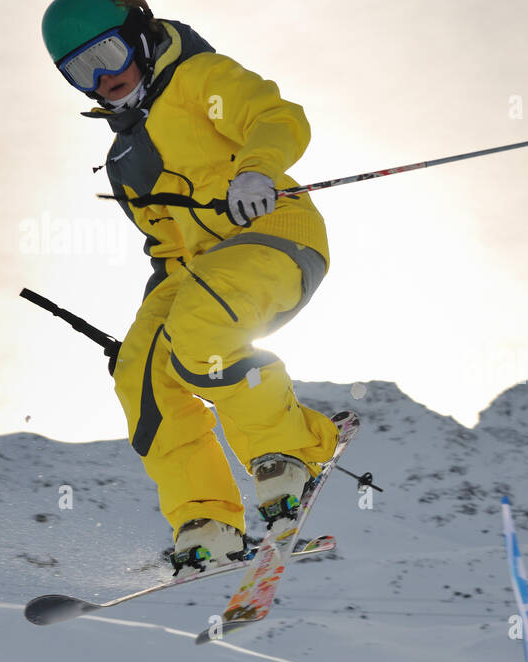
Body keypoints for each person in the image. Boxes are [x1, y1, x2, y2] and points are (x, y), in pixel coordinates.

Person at [40, 0, 339, 575]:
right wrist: (143, 337)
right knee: (142, 370)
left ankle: (290, 454)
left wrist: (256, 169)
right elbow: (167, 249)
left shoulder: (201, 78)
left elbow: (276, 115)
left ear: (139, 33)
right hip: (195, 269)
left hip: (273, 233)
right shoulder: (124, 158)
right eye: (81, 72)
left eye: (108, 55)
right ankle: (206, 518)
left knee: (201, 326)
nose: (103, 79)